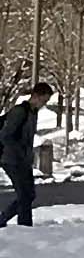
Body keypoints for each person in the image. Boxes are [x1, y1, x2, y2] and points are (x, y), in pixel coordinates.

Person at [0, 80, 38, 230]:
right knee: (24, 194)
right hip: (11, 158)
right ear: (36, 96)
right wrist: (20, 150)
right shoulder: (19, 111)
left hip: (23, 159)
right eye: (44, 100)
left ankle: (5, 219)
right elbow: (5, 135)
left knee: (29, 194)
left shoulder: (32, 113)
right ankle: (24, 227)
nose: (44, 104)